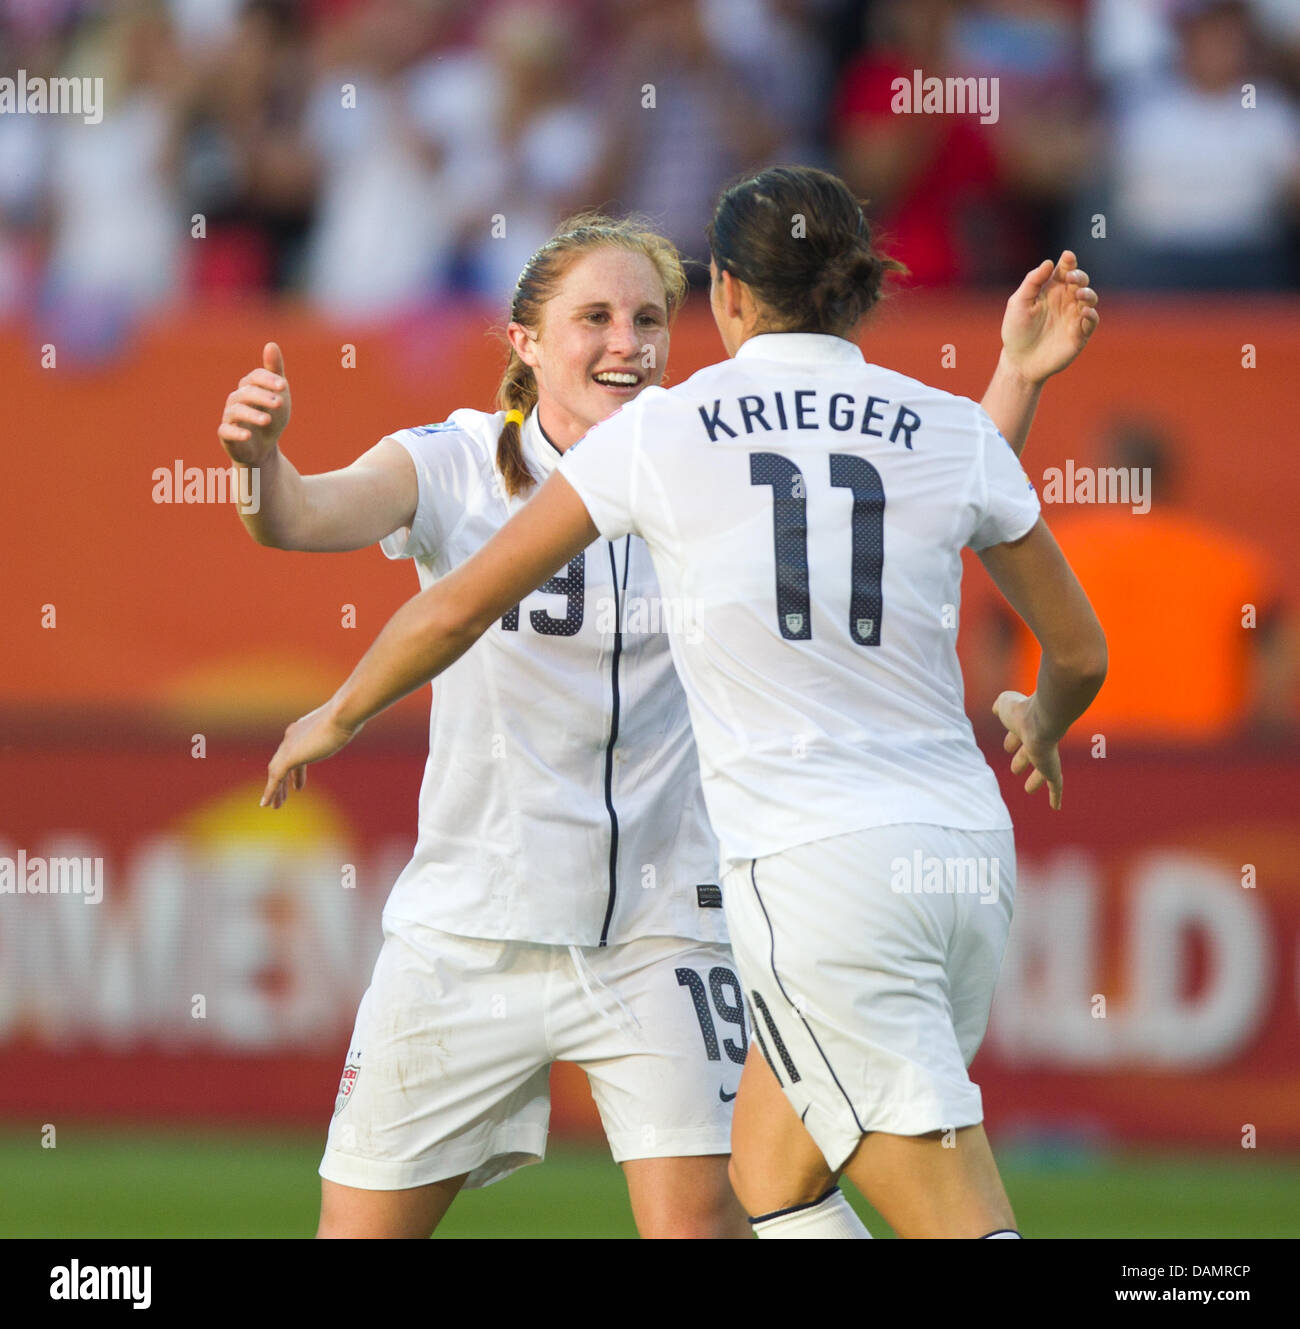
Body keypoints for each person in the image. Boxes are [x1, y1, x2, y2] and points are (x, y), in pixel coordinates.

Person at [237, 198, 1100, 1239]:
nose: (625, 343)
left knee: (713, 1219)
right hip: (469, 922)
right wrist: (257, 465)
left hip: (668, 929)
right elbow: (299, 517)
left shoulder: (691, 444)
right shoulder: (458, 460)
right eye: (593, 318)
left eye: (648, 320)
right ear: (523, 340)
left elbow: (894, 496)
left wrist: (1013, 378)